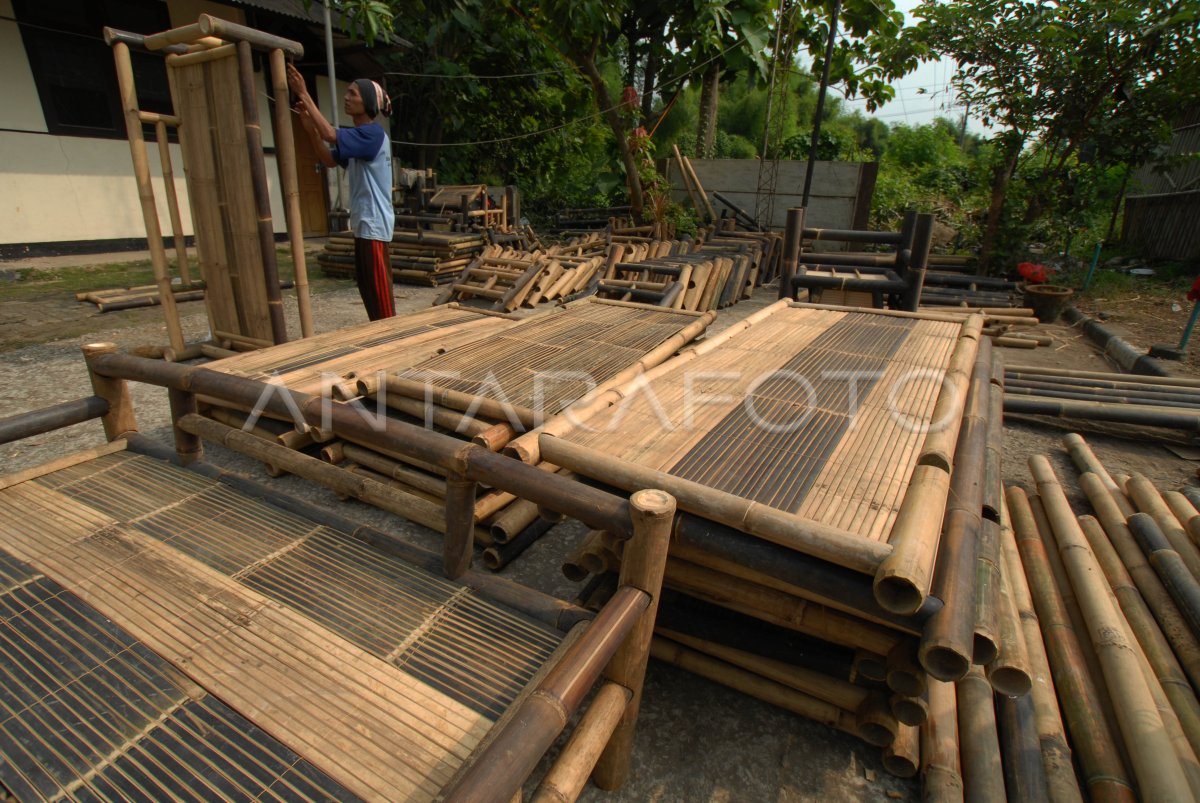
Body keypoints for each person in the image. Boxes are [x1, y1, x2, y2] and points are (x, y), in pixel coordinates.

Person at [287, 64, 396, 320]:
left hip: (375, 227)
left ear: (367, 103)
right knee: (369, 292)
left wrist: (304, 93)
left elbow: (330, 134)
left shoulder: (372, 134)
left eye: (353, 94)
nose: (346, 98)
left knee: (381, 301)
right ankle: (382, 344)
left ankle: (393, 345)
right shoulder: (360, 138)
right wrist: (310, 131)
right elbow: (328, 158)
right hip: (364, 226)